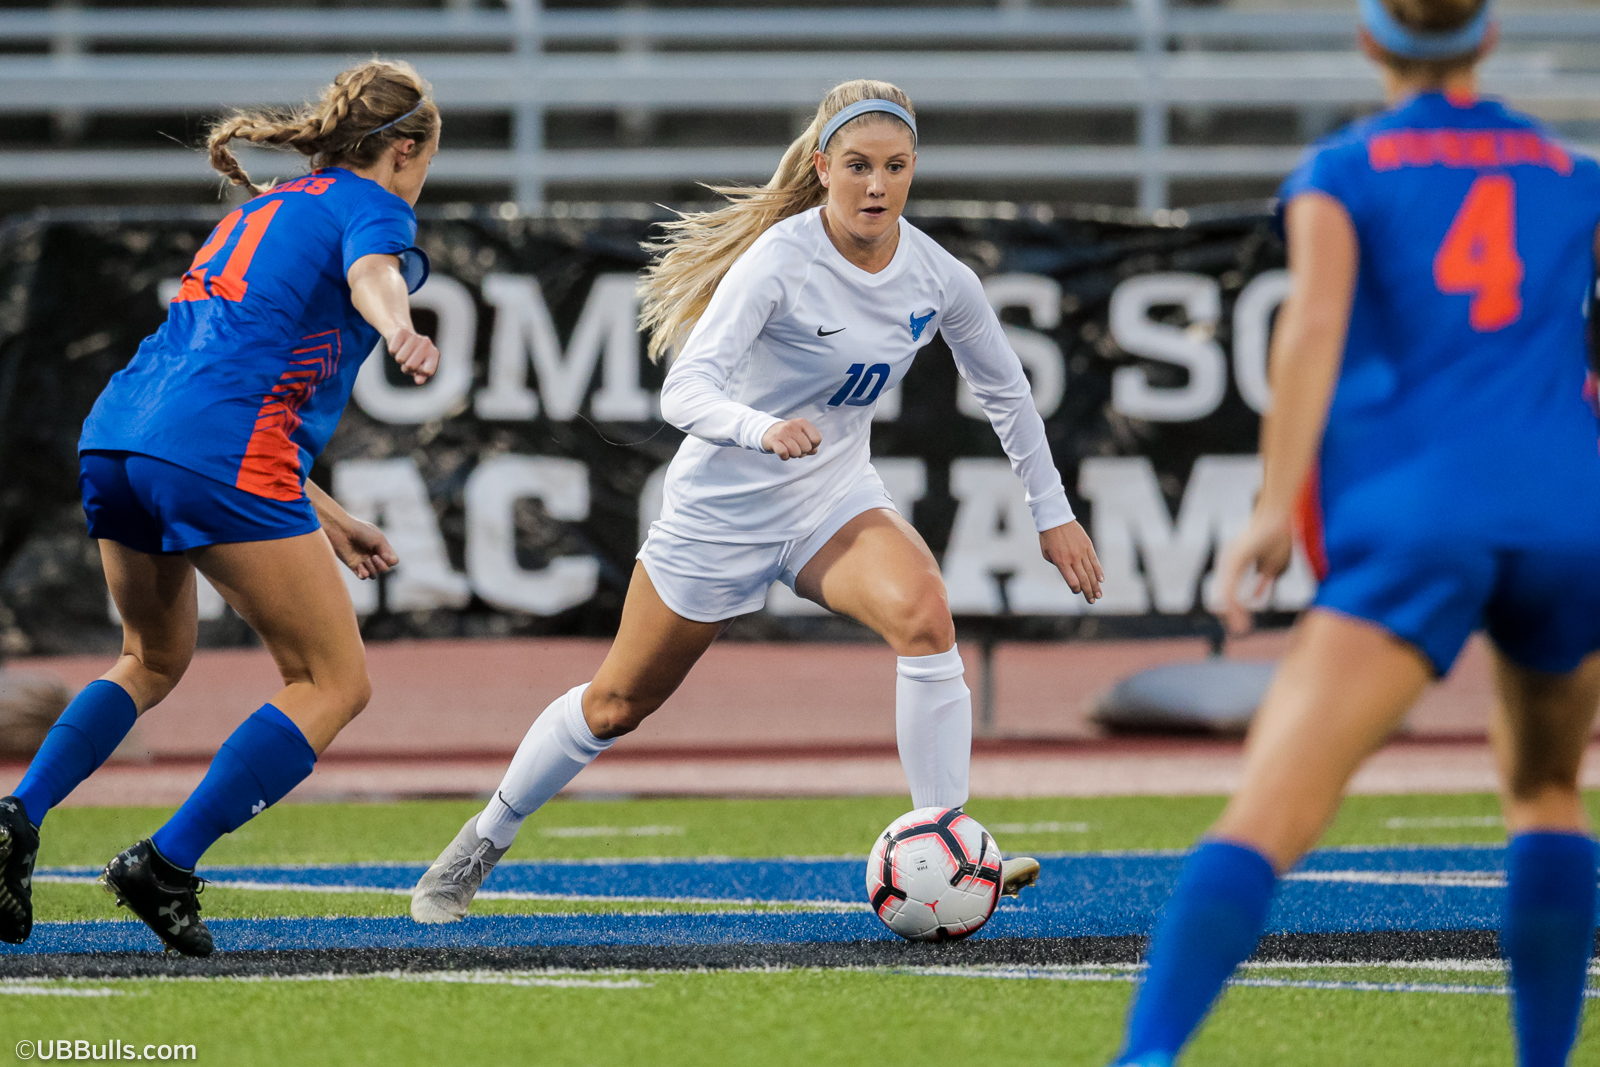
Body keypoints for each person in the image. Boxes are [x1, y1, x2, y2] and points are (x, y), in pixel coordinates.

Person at [410, 78, 1104, 922]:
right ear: (823, 167)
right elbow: (683, 391)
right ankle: (481, 840)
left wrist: (1052, 511)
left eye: (895, 166)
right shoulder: (781, 259)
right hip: (721, 515)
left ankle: (944, 847)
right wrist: (758, 428)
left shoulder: (938, 275)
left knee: (925, 613)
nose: (877, 185)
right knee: (615, 704)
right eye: (858, 165)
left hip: (829, 501)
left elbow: (1007, 390)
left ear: (914, 168)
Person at [1108, 2, 1600, 1064]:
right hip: (1569, 507)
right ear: (1487, 38)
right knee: (1547, 790)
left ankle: (1146, 1056)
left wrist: (1272, 508)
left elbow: (1315, 327)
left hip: (1420, 512)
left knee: (1268, 809)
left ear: (1371, 39)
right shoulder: (1574, 174)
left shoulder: (1346, 170)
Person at [0, 59, 443, 958]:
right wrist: (397, 324)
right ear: (403, 149)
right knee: (333, 682)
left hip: (120, 434)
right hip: (219, 450)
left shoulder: (263, 209)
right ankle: (165, 864)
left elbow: (220, 377)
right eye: (430, 155)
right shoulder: (372, 204)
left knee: (150, 656)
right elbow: (373, 271)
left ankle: (16, 816)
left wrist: (327, 516)